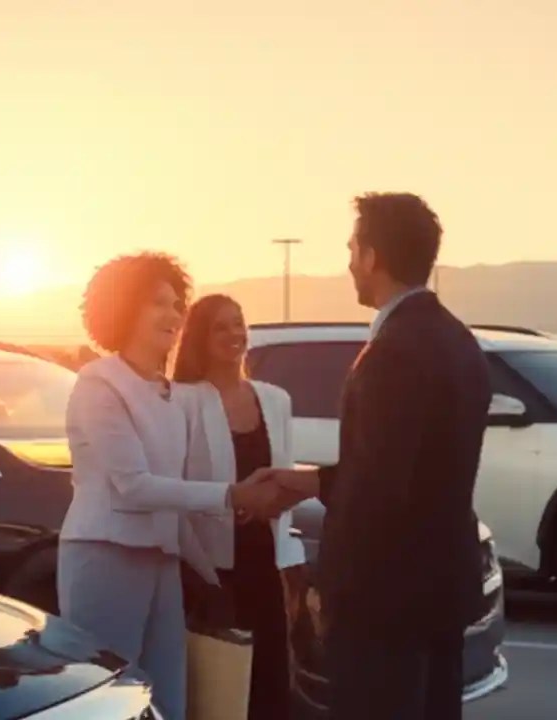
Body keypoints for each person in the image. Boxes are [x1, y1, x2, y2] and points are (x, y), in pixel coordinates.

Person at [264, 193, 491, 720]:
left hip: (386, 600)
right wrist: (305, 481)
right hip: (440, 587)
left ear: (371, 256)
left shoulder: (393, 351)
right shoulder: (459, 340)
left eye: (352, 247)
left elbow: (379, 491)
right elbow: (410, 469)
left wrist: (329, 587)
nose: (347, 263)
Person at [57, 253, 286, 720]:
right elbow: (134, 488)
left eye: (177, 303)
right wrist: (232, 494)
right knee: (110, 702)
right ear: (123, 310)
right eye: (157, 303)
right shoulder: (99, 383)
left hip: (162, 563)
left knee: (168, 703)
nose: (173, 314)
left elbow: (174, 503)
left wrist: (208, 578)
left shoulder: (166, 392)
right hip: (105, 559)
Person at [173, 294, 306, 720]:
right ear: (200, 338)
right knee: (221, 693)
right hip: (208, 571)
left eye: (239, 322)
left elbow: (284, 478)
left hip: (265, 563)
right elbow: (177, 490)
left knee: (270, 685)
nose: (234, 334)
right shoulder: (183, 401)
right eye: (220, 327)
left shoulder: (276, 399)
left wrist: (288, 560)